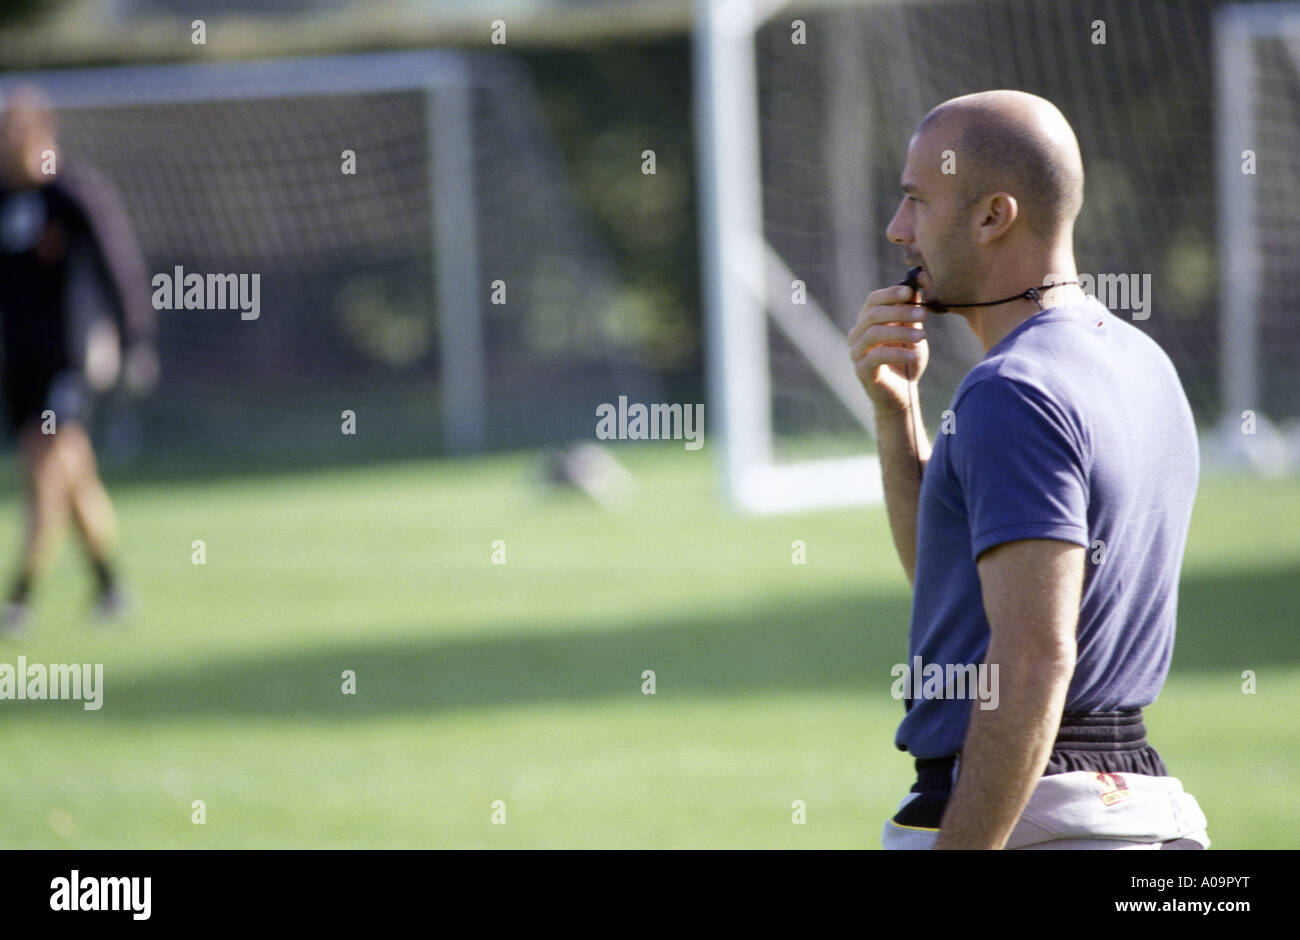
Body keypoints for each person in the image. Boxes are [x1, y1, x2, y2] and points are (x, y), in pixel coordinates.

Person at [847, 90, 1209, 849]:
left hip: (1034, 818)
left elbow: (1034, 656)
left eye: (916, 200)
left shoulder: (1011, 390)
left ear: (992, 217)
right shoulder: (1145, 364)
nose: (897, 229)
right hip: (1144, 809)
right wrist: (897, 415)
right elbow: (960, 596)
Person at [0, 86, 157, 636]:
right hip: (17, 368)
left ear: (42, 131)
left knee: (44, 470)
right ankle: (111, 589)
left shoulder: (74, 194)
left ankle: (18, 599)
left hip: (70, 362)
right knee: (76, 481)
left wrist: (136, 342)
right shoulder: (3, 199)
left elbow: (120, 271)